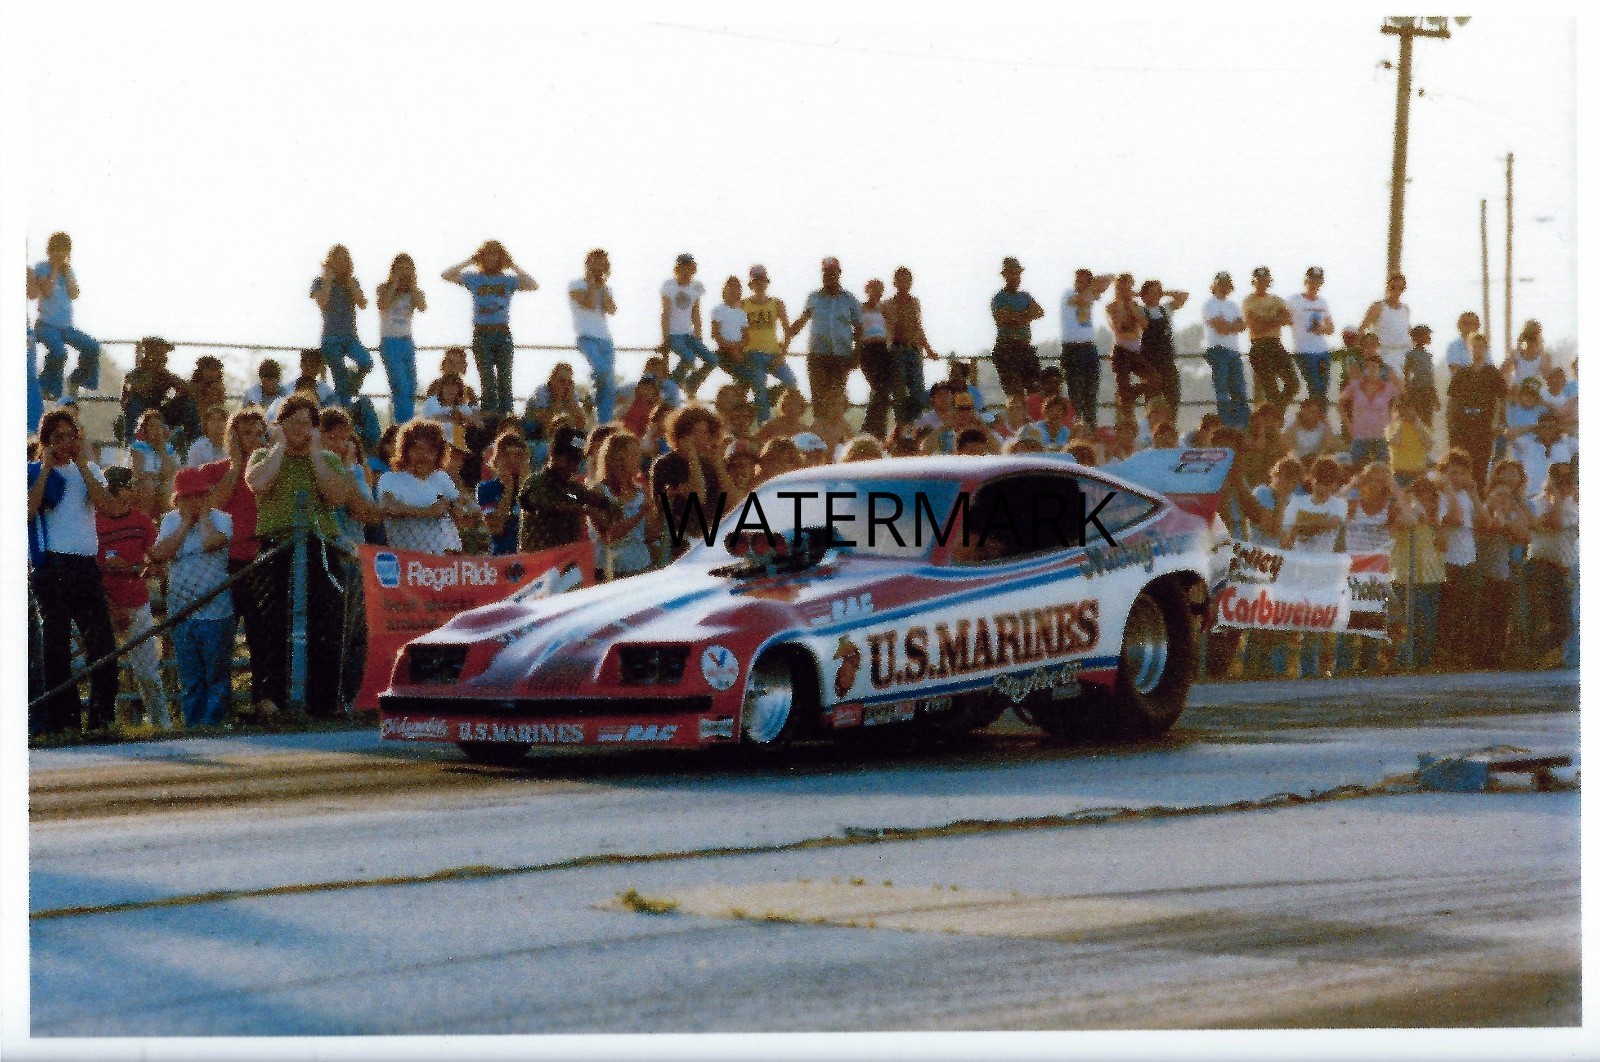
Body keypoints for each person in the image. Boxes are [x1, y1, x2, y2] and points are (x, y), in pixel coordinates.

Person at [244, 395, 355, 720]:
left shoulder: (329, 460)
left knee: (328, 623)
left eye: (306, 423)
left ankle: (324, 700)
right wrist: (279, 447)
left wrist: (316, 453)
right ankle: (270, 698)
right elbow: (258, 483)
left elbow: (336, 495)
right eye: (291, 423)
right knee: (270, 623)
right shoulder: (263, 456)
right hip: (277, 546)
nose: (298, 430)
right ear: (279, 426)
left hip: (319, 546)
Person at [29, 409, 119, 736]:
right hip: (52, 566)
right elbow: (29, 508)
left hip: (84, 564)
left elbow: (107, 506)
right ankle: (62, 720)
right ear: (47, 441)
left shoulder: (90, 470)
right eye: (59, 437)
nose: (66, 443)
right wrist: (46, 467)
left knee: (102, 643)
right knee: (56, 648)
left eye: (71, 436)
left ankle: (101, 718)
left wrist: (82, 464)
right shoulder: (35, 472)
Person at [198, 407, 272, 717]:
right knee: (221, 638)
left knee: (262, 637)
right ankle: (220, 708)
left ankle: (262, 702)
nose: (254, 439)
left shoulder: (269, 469)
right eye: (246, 434)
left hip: (260, 561)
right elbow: (216, 502)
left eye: (259, 433)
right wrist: (239, 464)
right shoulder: (216, 469)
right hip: (225, 563)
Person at [149, 467, 235, 729]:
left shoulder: (222, 519)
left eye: (200, 496)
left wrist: (204, 518)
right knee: (191, 676)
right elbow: (161, 553)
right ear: (178, 500)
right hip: (182, 611)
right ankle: (193, 725)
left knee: (216, 675)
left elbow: (212, 543)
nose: (195, 502)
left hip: (216, 612)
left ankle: (214, 725)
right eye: (188, 497)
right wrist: (186, 523)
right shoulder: (170, 522)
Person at [94, 466, 171, 730]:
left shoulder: (140, 520)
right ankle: (104, 724)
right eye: (129, 486)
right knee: (101, 669)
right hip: (102, 606)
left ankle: (162, 725)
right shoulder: (94, 523)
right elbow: (92, 573)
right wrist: (112, 607)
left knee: (148, 672)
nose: (134, 491)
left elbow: (155, 557)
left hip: (137, 602)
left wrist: (139, 568)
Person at [442, 240, 538, 415]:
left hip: (502, 332)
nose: (491, 257)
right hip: (482, 333)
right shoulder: (474, 278)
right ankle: (490, 417)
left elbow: (532, 284)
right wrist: (470, 261)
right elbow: (446, 275)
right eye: (488, 253)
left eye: (495, 253)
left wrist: (513, 265)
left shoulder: (508, 280)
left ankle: (506, 416)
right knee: (487, 378)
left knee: (504, 378)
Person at [519, 424, 619, 552]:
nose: (573, 466)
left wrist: (610, 507)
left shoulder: (574, 489)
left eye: (577, 461)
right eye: (568, 459)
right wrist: (583, 510)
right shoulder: (535, 482)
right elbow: (542, 502)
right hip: (538, 561)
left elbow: (598, 501)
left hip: (567, 562)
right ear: (553, 454)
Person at [378, 420, 470, 554]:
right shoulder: (390, 479)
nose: (424, 455)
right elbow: (387, 507)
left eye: (430, 450)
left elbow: (462, 504)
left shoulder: (441, 477)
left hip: (448, 558)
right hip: (410, 561)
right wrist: (428, 511)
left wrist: (460, 509)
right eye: (418, 449)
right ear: (405, 449)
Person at [787, 257, 863, 417]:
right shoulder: (813, 297)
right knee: (819, 401)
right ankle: (819, 439)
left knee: (836, 401)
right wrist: (786, 335)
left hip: (841, 356)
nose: (829, 276)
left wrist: (857, 354)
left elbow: (859, 328)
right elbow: (802, 320)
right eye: (826, 273)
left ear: (839, 273)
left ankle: (836, 439)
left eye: (832, 272)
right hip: (817, 356)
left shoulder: (849, 299)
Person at [32, 232, 102, 401]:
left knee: (92, 346)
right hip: (46, 324)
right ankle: (48, 387)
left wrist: (67, 272)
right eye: (57, 250)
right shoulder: (42, 267)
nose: (60, 254)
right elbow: (47, 292)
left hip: (66, 326)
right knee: (60, 352)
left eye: (63, 250)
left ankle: (79, 378)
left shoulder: (69, 271)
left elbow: (74, 294)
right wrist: (55, 270)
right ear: (50, 250)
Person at [558, 248, 619, 427]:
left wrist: (602, 285)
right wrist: (592, 284)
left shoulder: (606, 288)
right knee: (601, 371)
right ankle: (590, 398)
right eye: (595, 262)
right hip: (586, 337)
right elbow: (590, 304)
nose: (599, 266)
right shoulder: (575, 285)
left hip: (605, 338)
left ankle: (604, 422)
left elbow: (611, 309)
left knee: (608, 382)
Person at [1527, 460, 1577, 668]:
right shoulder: (1537, 502)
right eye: (1558, 482)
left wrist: (1558, 500)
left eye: (1566, 483)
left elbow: (1553, 524)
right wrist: (1554, 499)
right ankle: (1534, 659)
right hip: (1539, 565)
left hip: (1561, 569)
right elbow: (1542, 522)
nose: (1563, 487)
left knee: (1562, 622)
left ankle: (1547, 658)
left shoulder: (1574, 506)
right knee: (1539, 618)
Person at [309, 244, 372, 405]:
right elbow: (322, 303)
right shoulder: (319, 282)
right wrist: (328, 281)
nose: (342, 263)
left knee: (366, 361)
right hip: (330, 338)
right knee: (339, 379)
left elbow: (363, 303)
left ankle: (353, 385)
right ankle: (344, 409)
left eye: (345, 259)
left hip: (350, 336)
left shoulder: (352, 282)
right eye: (338, 259)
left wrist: (351, 284)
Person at [740, 265, 802, 426]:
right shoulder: (743, 304)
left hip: (773, 353)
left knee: (791, 382)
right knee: (759, 388)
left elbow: (787, 331)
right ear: (751, 285)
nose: (759, 284)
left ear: (767, 283)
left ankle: (779, 412)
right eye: (756, 282)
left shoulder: (776, 303)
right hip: (752, 353)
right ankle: (764, 425)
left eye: (762, 281)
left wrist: (783, 354)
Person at [881, 266, 940, 433]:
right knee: (899, 394)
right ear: (894, 282)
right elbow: (886, 328)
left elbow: (918, 327)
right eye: (900, 280)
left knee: (918, 393)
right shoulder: (887, 305)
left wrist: (928, 349)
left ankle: (914, 428)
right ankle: (902, 430)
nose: (903, 283)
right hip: (896, 350)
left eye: (906, 280)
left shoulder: (914, 303)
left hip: (913, 350)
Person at [1446, 332, 1506, 489]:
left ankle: (1478, 506)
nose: (1477, 350)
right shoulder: (1461, 374)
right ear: (1469, 349)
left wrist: (1500, 421)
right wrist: (1451, 428)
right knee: (1461, 467)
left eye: (1481, 347)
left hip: (1483, 428)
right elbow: (1452, 402)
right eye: (1474, 347)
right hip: (1462, 427)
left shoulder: (1493, 374)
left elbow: (1503, 398)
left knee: (1480, 470)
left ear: (1486, 349)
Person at [376, 253, 428, 426]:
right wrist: (395, 284)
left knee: (411, 386)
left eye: (408, 269)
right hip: (390, 341)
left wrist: (411, 286)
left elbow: (422, 306)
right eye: (401, 269)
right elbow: (383, 305)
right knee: (400, 386)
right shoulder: (384, 288)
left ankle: (408, 421)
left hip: (407, 341)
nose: (405, 273)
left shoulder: (414, 292)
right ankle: (403, 424)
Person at [593, 431, 652, 580]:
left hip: (641, 564)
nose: (639, 461)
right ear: (618, 459)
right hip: (610, 569)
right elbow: (610, 536)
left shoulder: (640, 490)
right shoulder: (599, 492)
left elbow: (651, 534)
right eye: (633, 455)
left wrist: (660, 509)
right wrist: (640, 514)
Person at [1059, 268, 1114, 429]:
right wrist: (1092, 288)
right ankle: (1075, 428)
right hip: (1073, 349)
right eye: (1078, 281)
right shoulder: (1069, 294)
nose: (1080, 284)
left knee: (1091, 393)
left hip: (1089, 348)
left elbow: (1110, 277)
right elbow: (1081, 300)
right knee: (1075, 394)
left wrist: (1094, 285)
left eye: (1084, 281)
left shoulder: (1090, 294)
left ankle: (1090, 428)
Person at [659, 253, 719, 398]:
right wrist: (664, 338)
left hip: (689, 334)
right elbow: (665, 313)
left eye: (689, 268)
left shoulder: (696, 287)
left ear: (693, 270)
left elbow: (696, 313)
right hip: (674, 335)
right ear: (677, 269)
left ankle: (690, 383)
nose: (685, 271)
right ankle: (670, 386)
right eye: (682, 268)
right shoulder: (669, 286)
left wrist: (699, 335)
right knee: (689, 357)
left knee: (712, 360)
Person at [989, 257, 1045, 402]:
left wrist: (1017, 316)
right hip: (1007, 348)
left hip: (1025, 348)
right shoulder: (999, 298)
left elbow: (1039, 312)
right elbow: (1005, 319)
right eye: (1012, 273)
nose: (1015, 277)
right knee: (1015, 393)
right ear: (1005, 275)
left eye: (1017, 273)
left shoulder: (1025, 296)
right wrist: (1026, 315)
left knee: (1036, 390)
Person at [1242, 267, 1299, 408]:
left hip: (1276, 344)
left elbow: (1288, 319)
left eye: (1265, 280)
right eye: (1259, 281)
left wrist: (1264, 320)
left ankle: (1277, 413)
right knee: (1271, 390)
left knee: (1293, 384)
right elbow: (1255, 326)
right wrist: (1275, 320)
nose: (1262, 283)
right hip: (1259, 346)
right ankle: (1274, 417)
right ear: (1254, 282)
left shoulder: (1276, 299)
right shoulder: (1249, 301)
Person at [1201, 272, 1250, 431]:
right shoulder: (1210, 304)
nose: (1223, 287)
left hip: (1234, 351)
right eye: (1220, 283)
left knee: (1239, 389)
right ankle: (1226, 424)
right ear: (1214, 285)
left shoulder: (1233, 305)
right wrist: (1231, 326)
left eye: (1226, 284)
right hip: (1218, 350)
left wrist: (1228, 326)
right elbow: (1220, 328)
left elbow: (1242, 326)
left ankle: (1242, 424)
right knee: (1222, 390)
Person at [1338, 354, 1401, 467]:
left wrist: (1393, 422)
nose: (1372, 370)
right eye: (1368, 367)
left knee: (1383, 468)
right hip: (1360, 435)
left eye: (1375, 367)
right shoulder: (1355, 386)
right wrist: (1349, 426)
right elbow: (1340, 405)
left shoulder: (1388, 387)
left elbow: (1402, 399)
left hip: (1381, 436)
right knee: (1354, 467)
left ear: (1381, 370)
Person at [1137, 279, 1188, 414]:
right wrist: (1138, 294)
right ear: (1144, 295)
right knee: (1153, 397)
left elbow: (1184, 296)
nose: (1156, 296)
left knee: (1172, 395)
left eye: (1158, 293)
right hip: (1149, 361)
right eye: (1152, 292)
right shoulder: (1140, 311)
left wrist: (1165, 292)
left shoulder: (1166, 309)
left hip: (1167, 359)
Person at [1287, 266, 1336, 405]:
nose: (1315, 284)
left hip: (1322, 350)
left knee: (1323, 388)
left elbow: (1331, 328)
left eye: (1318, 281)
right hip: (1303, 350)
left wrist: (1322, 329)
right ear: (1305, 281)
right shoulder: (1294, 300)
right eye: (1312, 280)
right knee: (1315, 387)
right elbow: (1282, 318)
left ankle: (1320, 420)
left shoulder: (1322, 302)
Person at [478, 431, 530, 557]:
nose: (512, 460)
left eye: (517, 455)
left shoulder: (535, 487)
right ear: (497, 460)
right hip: (503, 556)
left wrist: (524, 486)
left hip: (531, 557)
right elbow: (496, 529)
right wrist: (508, 490)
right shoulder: (486, 488)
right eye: (506, 455)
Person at [857, 279, 896, 440]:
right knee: (878, 387)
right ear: (867, 290)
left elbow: (891, 326)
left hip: (882, 349)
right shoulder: (860, 308)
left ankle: (877, 429)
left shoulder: (883, 309)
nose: (877, 293)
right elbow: (857, 330)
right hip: (868, 349)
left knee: (883, 390)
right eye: (874, 289)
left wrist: (890, 343)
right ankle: (869, 428)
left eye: (880, 290)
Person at [1359, 273, 1413, 379]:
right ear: (1388, 286)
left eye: (1400, 288)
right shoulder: (1378, 307)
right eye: (1393, 287)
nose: (1397, 291)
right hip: (1386, 354)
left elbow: (1407, 330)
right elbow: (1362, 329)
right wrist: (1366, 352)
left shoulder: (1405, 309)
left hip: (1405, 353)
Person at [129, 409, 180, 518]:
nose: (157, 431)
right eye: (152, 426)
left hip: (160, 482)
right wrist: (156, 477)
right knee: (148, 485)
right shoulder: (138, 447)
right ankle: (144, 519)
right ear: (145, 429)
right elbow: (138, 472)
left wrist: (162, 450)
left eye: (159, 427)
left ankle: (169, 521)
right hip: (143, 483)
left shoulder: (168, 448)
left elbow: (170, 473)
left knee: (168, 489)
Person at [421, 372, 484, 453]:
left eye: (455, 386)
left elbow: (479, 425)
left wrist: (464, 418)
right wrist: (452, 418)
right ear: (442, 388)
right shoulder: (432, 402)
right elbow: (429, 420)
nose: (451, 389)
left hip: (456, 447)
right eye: (447, 385)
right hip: (434, 444)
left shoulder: (462, 406)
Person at [1384, 395, 1434, 487]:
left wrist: (1417, 426)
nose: (1404, 411)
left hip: (1418, 473)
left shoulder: (1422, 428)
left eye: (1407, 408)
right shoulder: (1391, 428)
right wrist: (1401, 426)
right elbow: (1394, 442)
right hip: (1399, 474)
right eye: (1400, 409)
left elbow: (1429, 445)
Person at [1403, 324, 1440, 422]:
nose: (1428, 338)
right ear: (1417, 338)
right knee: (1418, 418)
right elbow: (1406, 373)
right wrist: (1408, 391)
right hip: (1417, 390)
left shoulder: (1428, 355)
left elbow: (1430, 376)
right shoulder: (1411, 354)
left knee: (1428, 419)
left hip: (1428, 390)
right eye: (1425, 335)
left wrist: (1435, 395)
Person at [1503, 320, 1550, 388]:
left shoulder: (1543, 357)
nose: (1531, 341)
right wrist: (1518, 346)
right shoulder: (1516, 354)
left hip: (1534, 393)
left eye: (1534, 338)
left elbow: (1548, 377)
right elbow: (1502, 371)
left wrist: (1541, 350)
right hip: (1518, 392)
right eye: (1529, 337)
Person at [1444, 312, 1480, 377]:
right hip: (1461, 384)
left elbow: (1489, 367)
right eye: (1466, 323)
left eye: (1474, 323)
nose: (1471, 326)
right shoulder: (1454, 346)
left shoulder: (1483, 346)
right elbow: (1455, 370)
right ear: (1459, 326)